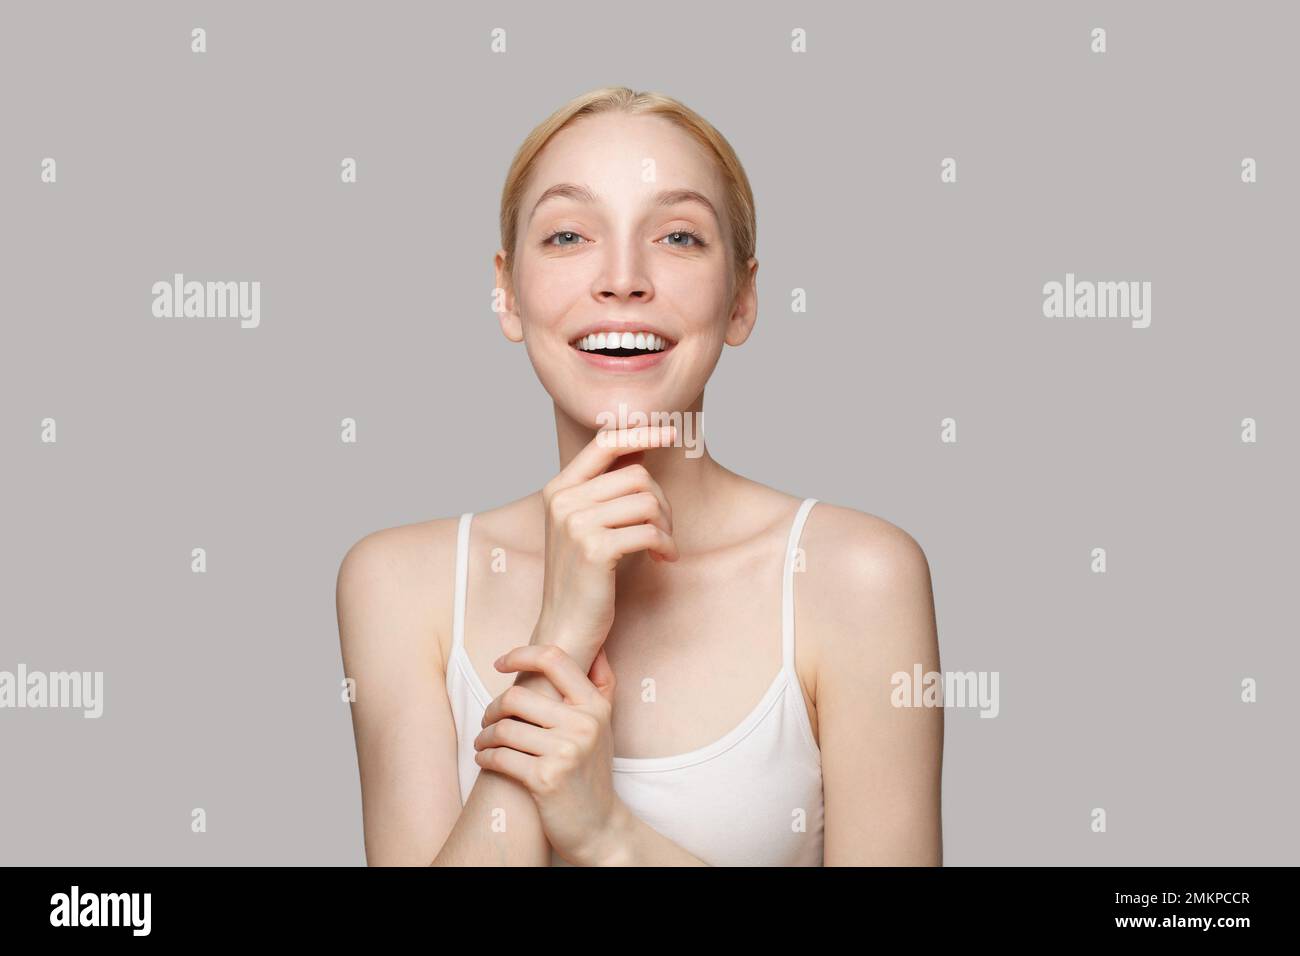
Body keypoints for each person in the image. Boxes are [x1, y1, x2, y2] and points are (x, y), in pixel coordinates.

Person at [336, 86, 943, 866]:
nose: (623, 278)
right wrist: (558, 641)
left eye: (679, 237)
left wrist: (608, 833)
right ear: (506, 292)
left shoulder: (858, 577)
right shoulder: (398, 584)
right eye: (568, 235)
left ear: (742, 299)